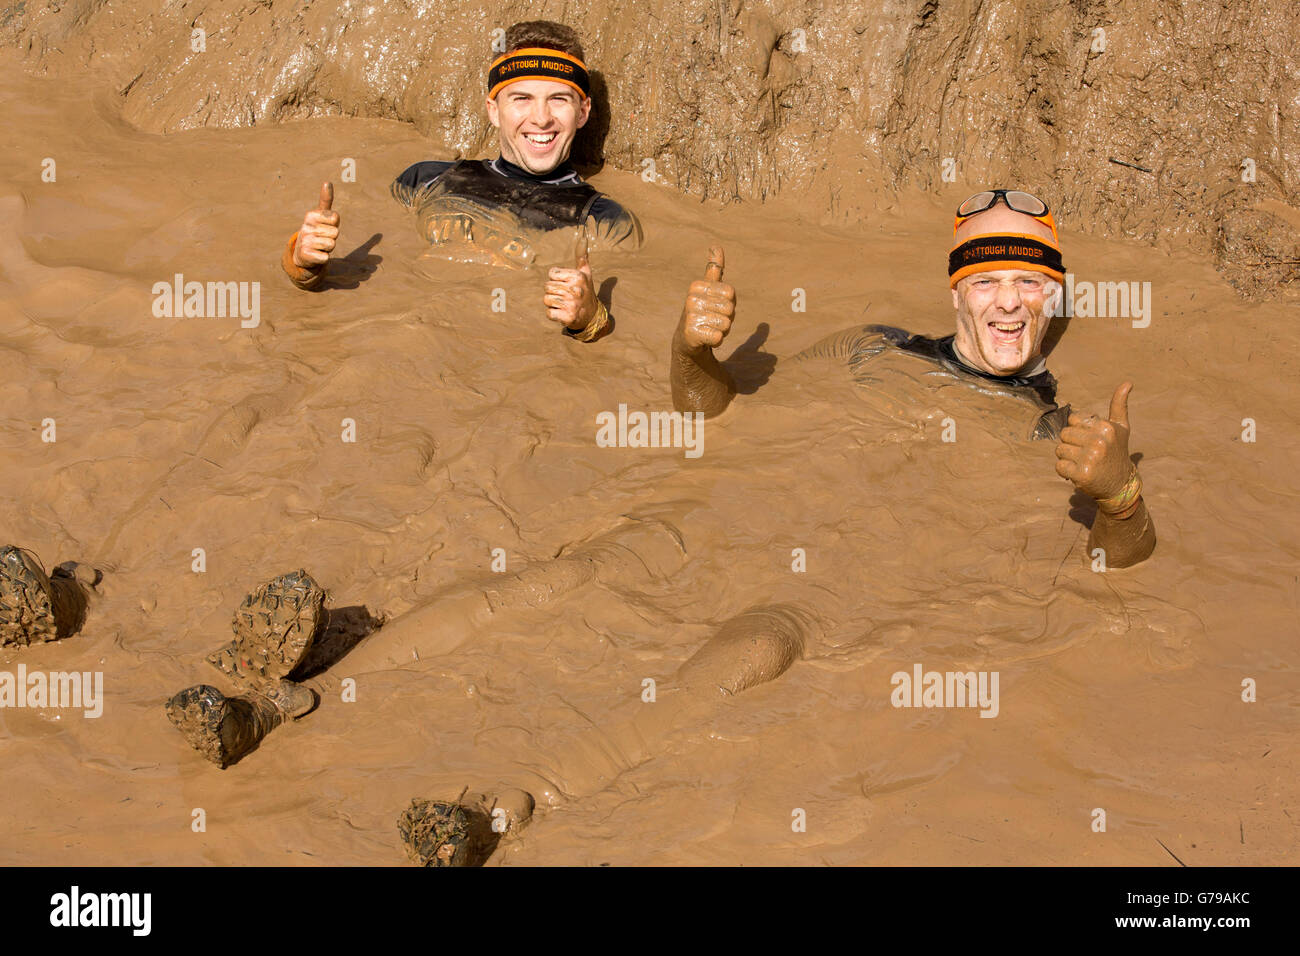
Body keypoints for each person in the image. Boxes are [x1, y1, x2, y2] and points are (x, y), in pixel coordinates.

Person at [669, 188, 1157, 569]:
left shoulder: (1060, 434)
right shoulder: (871, 345)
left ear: (1052, 294)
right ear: (957, 292)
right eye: (986, 280)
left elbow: (1108, 567)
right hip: (738, 528)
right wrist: (690, 353)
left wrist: (1121, 498)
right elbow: (720, 411)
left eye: (1027, 281)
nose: (1008, 303)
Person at [280, 20, 641, 342]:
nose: (542, 118)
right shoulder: (424, 180)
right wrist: (304, 262)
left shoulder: (605, 222)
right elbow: (354, 274)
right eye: (522, 98)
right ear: (492, 109)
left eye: (559, 99)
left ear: (583, 112)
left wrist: (592, 322)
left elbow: (621, 338)